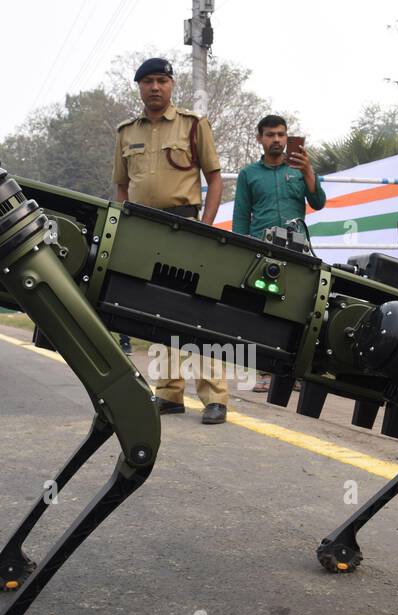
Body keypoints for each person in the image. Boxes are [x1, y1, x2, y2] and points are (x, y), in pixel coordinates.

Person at [113, 57, 228, 424]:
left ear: (172, 85)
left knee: (199, 311)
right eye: (148, 81)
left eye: (162, 80)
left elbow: (215, 177)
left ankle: (215, 397)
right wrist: (123, 228)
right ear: (140, 88)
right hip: (144, 229)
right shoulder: (126, 132)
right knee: (157, 310)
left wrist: (206, 227)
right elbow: (121, 187)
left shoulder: (194, 125)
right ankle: (169, 393)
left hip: (186, 227)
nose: (155, 87)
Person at [233, 114, 327, 392]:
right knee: (261, 309)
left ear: (288, 138)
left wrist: (309, 171)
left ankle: (293, 373)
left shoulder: (300, 168)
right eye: (271, 135)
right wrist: (242, 247)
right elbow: (240, 216)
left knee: (297, 309)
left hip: (297, 247)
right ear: (260, 138)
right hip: (262, 247)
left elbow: (318, 202)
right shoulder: (248, 174)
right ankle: (263, 371)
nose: (277, 140)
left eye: (281, 135)